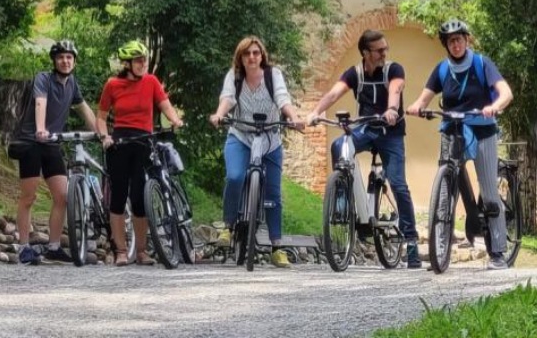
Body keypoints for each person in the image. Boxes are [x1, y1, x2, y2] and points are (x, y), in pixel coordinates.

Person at [406, 19, 515, 270]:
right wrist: (417, 107)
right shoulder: (442, 69)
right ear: (445, 45)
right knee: (445, 193)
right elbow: (424, 97)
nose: (455, 44)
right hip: (452, 130)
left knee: (489, 193)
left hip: (482, 130)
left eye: (459, 39)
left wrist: (494, 106)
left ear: (467, 40)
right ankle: (440, 247)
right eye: (450, 41)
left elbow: (505, 92)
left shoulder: (481, 64)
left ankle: (498, 252)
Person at [307, 29, 421, 269]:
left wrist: (392, 109)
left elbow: (396, 90)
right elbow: (334, 93)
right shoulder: (355, 73)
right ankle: (341, 201)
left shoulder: (394, 69)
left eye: (385, 49)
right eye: (379, 50)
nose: (384, 53)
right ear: (365, 53)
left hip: (391, 133)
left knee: (398, 184)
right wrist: (316, 112)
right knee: (340, 144)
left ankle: (411, 241)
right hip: (366, 129)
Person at [209, 36, 304, 269]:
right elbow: (227, 98)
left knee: (273, 192)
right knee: (234, 177)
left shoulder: (273, 75)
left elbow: (282, 98)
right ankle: (228, 227)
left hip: (270, 138)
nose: (252, 57)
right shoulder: (235, 76)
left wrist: (293, 118)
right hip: (241, 135)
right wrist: (219, 114)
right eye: (247, 54)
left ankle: (276, 247)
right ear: (240, 58)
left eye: (256, 53)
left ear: (262, 56)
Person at [9, 39, 100, 264]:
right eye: (60, 57)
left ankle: (54, 246)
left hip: (52, 144)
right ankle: (23, 247)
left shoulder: (72, 85)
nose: (65, 61)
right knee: (29, 197)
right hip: (31, 142)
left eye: (69, 57)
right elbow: (41, 102)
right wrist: (40, 129)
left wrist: (100, 133)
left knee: (61, 197)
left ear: (74, 61)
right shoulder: (44, 79)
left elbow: (84, 109)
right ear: (54, 61)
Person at [95, 40, 185, 266]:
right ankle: (121, 251)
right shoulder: (113, 84)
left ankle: (143, 251)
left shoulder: (152, 82)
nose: (142, 64)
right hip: (120, 143)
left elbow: (165, 105)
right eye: (138, 60)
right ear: (127, 63)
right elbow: (101, 117)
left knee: (139, 197)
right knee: (117, 197)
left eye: (144, 60)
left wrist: (175, 120)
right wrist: (105, 137)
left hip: (144, 141)